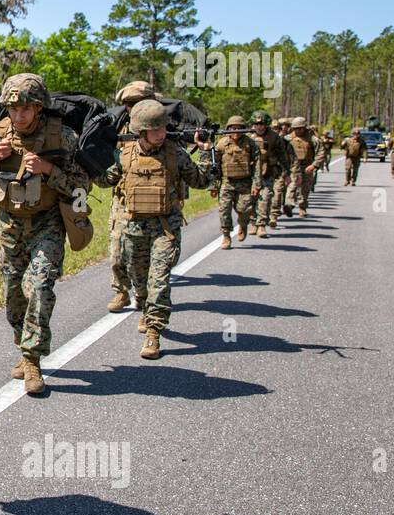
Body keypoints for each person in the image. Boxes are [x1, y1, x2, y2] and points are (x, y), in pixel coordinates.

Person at [0, 73, 89, 395]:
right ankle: (22, 343)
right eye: (12, 109)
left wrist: (50, 171)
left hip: (47, 223)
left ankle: (32, 358)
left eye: (25, 109)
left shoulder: (62, 137)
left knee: (39, 285)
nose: (18, 116)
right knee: (13, 292)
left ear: (38, 108)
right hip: (9, 224)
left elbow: (82, 187)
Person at [96, 100, 214, 358]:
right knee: (140, 281)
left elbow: (201, 181)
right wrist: (89, 156)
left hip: (165, 229)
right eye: (155, 129)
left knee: (159, 281)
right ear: (141, 130)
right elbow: (105, 180)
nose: (161, 134)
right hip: (133, 229)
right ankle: (143, 304)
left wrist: (206, 152)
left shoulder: (176, 154)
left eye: (163, 128)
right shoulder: (125, 154)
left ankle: (153, 333)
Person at [106, 81, 159, 313]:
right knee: (117, 253)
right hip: (123, 199)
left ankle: (143, 294)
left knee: (144, 256)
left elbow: (175, 164)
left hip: (154, 201)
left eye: (136, 103)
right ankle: (121, 291)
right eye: (128, 104)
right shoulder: (119, 130)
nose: (131, 108)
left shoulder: (161, 131)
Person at [212, 116, 261, 249]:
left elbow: (257, 164)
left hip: (245, 183)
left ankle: (243, 224)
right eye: (233, 128)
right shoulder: (222, 144)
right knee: (224, 210)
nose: (236, 131)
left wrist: (256, 184)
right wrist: (213, 186)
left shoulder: (250, 144)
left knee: (245, 210)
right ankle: (226, 236)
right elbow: (215, 166)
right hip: (227, 183)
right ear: (228, 129)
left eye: (239, 128)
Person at [249, 110, 287, 237]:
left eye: (261, 124)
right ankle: (253, 222)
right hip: (250, 174)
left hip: (268, 172)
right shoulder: (247, 137)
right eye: (256, 124)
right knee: (251, 200)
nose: (259, 126)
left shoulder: (274, 137)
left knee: (265, 198)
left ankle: (261, 225)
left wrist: (286, 171)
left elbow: (282, 154)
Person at [285, 117, 325, 214]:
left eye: (300, 128)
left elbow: (320, 152)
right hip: (293, 166)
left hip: (307, 166)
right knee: (292, 185)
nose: (298, 131)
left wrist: (314, 165)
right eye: (295, 129)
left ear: (304, 127)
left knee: (305, 188)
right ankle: (289, 205)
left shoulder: (313, 139)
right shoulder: (287, 139)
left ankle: (302, 207)